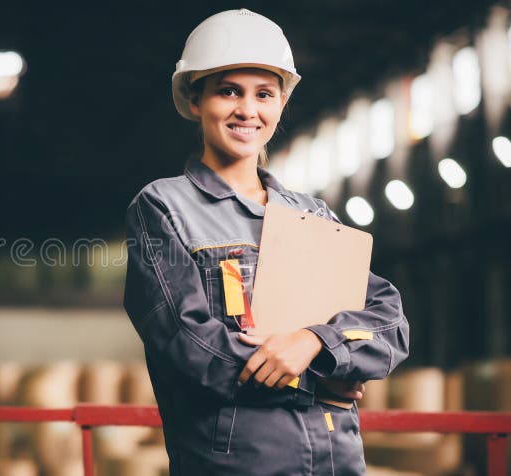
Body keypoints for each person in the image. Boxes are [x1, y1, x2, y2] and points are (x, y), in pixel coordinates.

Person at [123, 9, 410, 475]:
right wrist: (317, 375)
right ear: (196, 99)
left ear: (280, 105)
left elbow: (390, 324)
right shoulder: (163, 208)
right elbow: (192, 347)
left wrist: (316, 342)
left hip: (337, 463)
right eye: (228, 91)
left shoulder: (311, 214)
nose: (247, 110)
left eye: (264, 94)